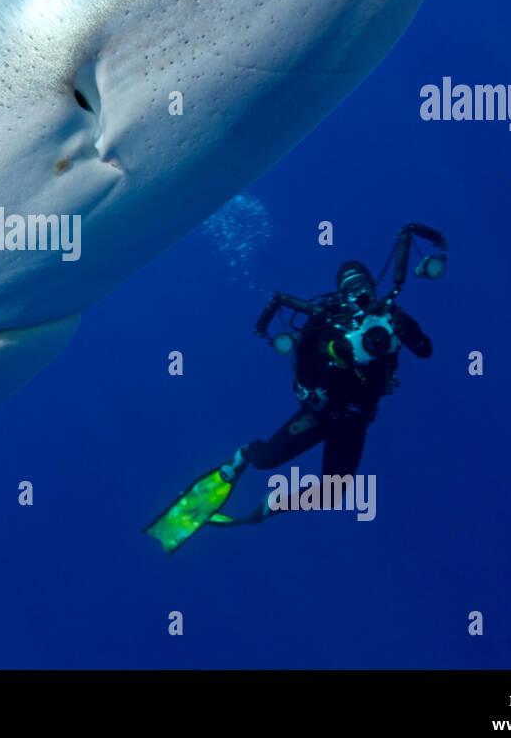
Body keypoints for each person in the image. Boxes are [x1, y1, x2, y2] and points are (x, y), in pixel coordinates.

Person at [145, 225, 445, 554]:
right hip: (321, 411)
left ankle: (270, 507)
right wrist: (335, 354)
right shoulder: (324, 320)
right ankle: (243, 455)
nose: (359, 293)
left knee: (333, 493)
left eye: (364, 286)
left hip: (355, 421)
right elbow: (304, 372)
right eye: (351, 288)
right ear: (341, 294)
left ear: (374, 287)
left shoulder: (393, 318)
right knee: (265, 460)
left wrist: (408, 332)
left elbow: (426, 349)